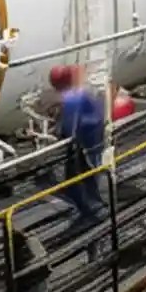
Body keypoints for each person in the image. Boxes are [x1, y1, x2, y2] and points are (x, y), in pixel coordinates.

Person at [49, 65, 106, 226]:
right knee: (85, 175)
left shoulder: (72, 98)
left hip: (84, 145)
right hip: (92, 140)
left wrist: (60, 135)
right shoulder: (81, 93)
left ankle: (91, 209)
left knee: (85, 176)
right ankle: (87, 204)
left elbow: (70, 127)